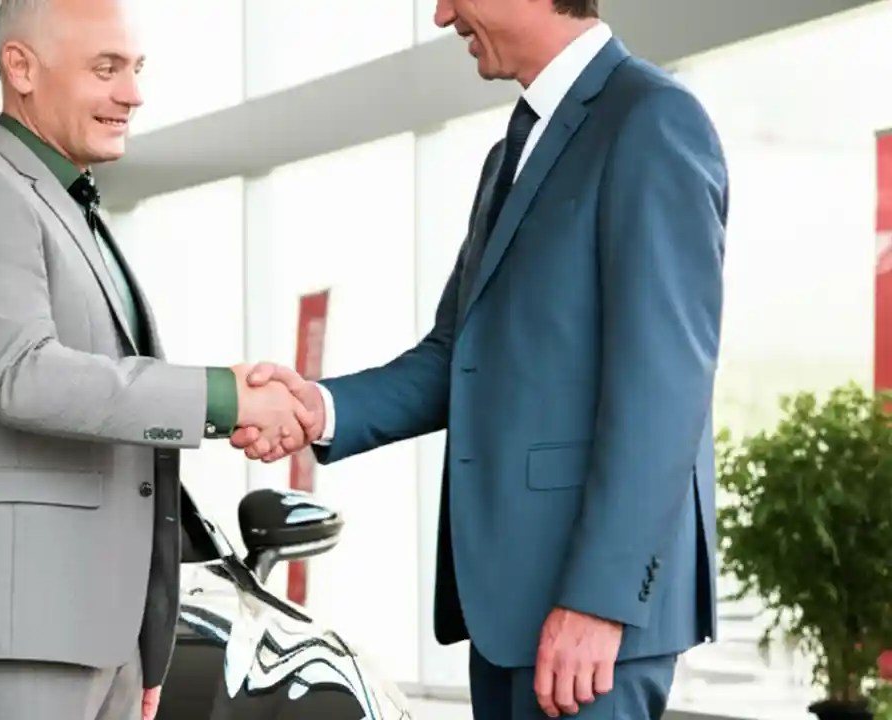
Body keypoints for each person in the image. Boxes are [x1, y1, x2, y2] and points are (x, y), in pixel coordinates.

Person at [233, 1, 728, 718]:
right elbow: (456, 355)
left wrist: (600, 601)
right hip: (508, 608)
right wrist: (320, 407)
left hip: (590, 618)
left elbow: (666, 388)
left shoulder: (651, 120)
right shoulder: (513, 153)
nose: (441, 15)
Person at [0, 1, 311, 718]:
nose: (134, 93)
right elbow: (23, 376)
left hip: (101, 639)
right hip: (22, 631)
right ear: (21, 68)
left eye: (137, 68)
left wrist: (141, 642)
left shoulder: (72, 209)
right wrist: (225, 398)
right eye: (107, 68)